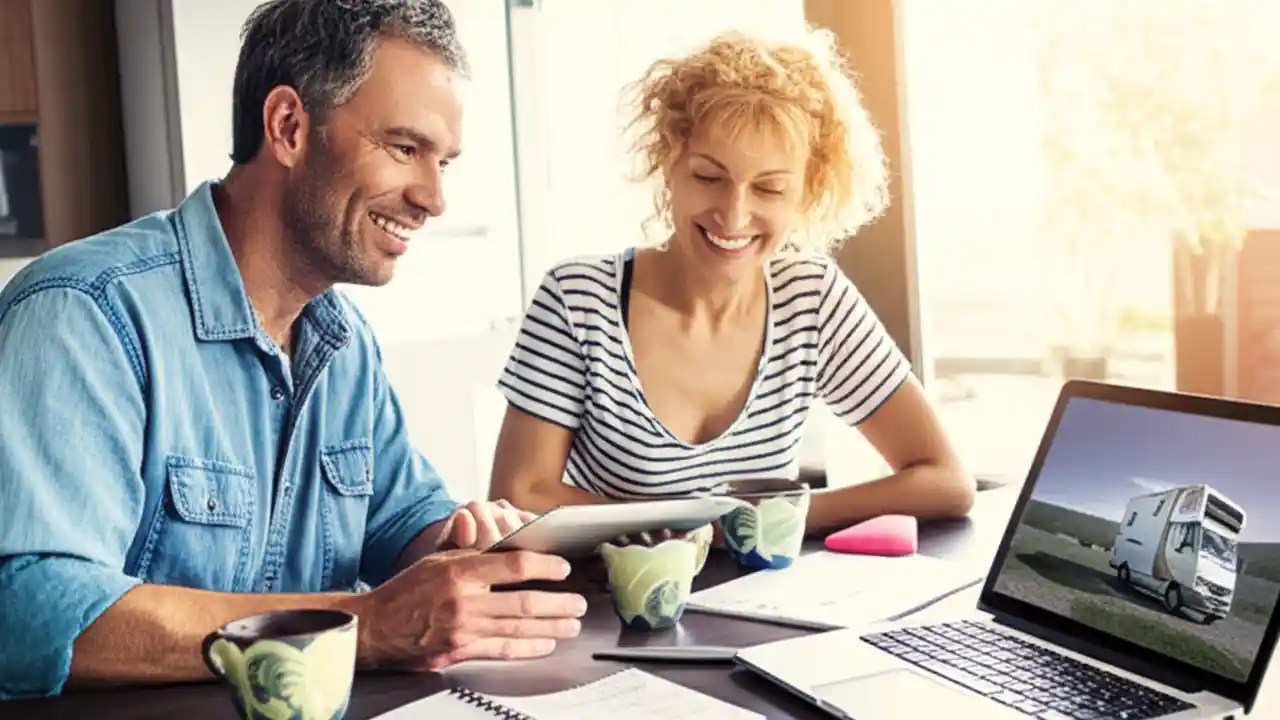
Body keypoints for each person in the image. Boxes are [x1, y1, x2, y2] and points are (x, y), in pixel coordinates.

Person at [0, 0, 584, 699]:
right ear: (289, 127)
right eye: (404, 148)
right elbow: (31, 614)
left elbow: (403, 520)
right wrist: (364, 625)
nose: (433, 198)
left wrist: (464, 546)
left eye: (444, 161)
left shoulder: (342, 341)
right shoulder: (84, 312)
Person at [489, 28, 975, 533]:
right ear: (669, 163)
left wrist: (765, 520)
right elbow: (519, 492)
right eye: (708, 177)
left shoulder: (811, 299)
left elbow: (945, 481)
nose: (734, 214)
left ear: (806, 194)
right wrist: (710, 528)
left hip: (762, 605)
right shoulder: (578, 299)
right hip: (607, 604)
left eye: (768, 188)